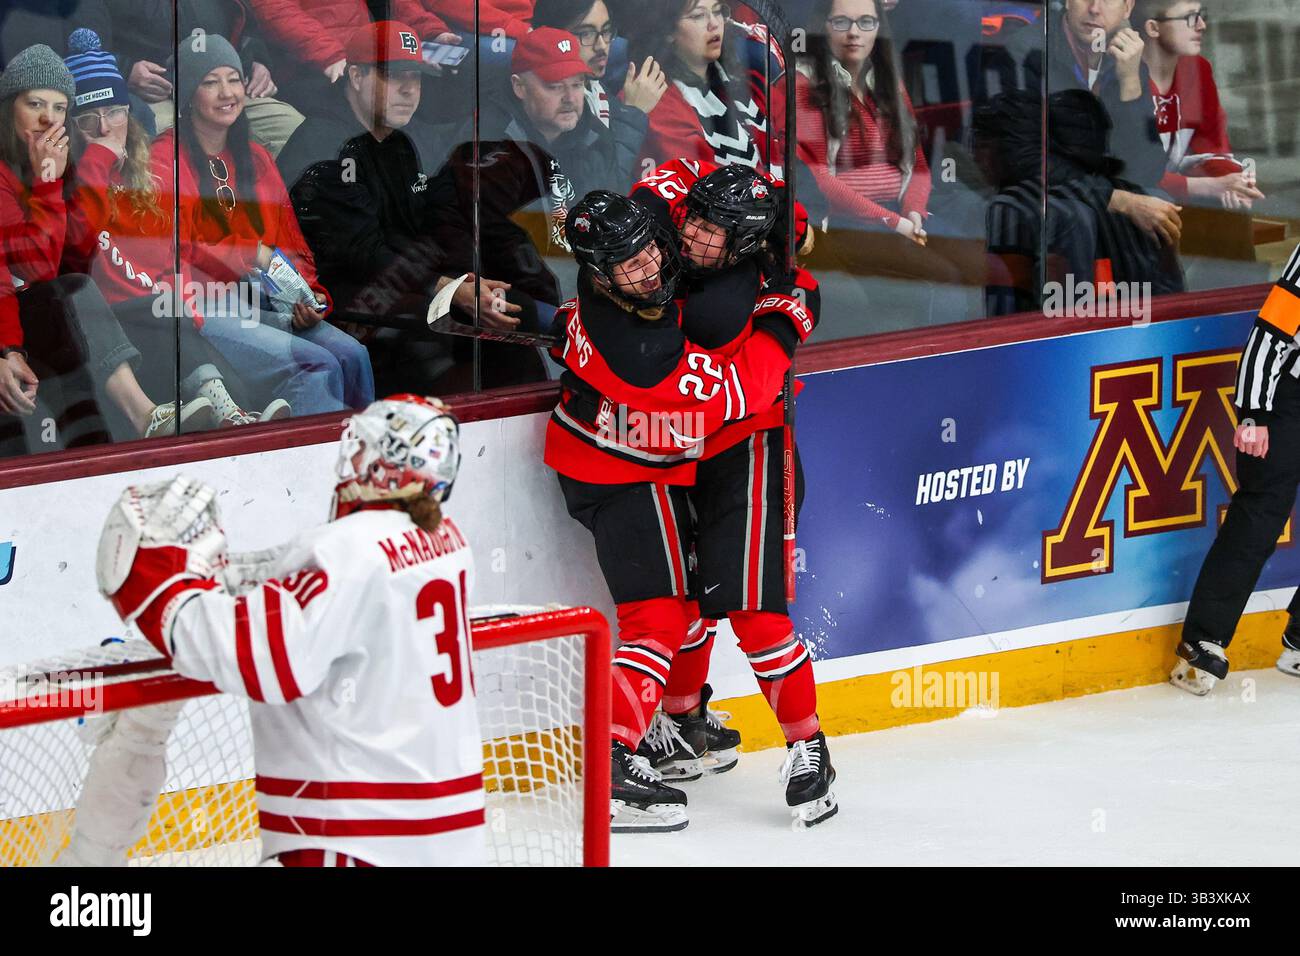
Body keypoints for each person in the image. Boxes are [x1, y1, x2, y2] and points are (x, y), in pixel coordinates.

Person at [72, 394, 482, 867]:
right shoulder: (447, 539)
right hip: (450, 836)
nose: (348, 464)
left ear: (385, 468)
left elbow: (260, 658)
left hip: (357, 840)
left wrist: (165, 593)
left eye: (361, 450)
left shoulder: (346, 549)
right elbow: (331, 596)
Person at [545, 187, 817, 829]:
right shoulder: (641, 355)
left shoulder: (631, 265)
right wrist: (787, 315)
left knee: (686, 607)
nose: (647, 268)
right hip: (621, 469)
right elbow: (742, 391)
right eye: (627, 265)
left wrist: (791, 228)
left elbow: (706, 185)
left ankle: (680, 725)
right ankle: (611, 765)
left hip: (634, 462)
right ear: (600, 277)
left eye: (648, 252)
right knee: (658, 618)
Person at [630, 161, 837, 826]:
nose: (696, 235)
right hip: (677, 454)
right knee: (684, 603)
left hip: (748, 453)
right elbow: (653, 189)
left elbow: (743, 391)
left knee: (754, 615)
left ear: (747, 242)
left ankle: (809, 747)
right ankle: (684, 721)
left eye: (715, 231)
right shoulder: (681, 232)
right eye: (695, 219)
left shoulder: (788, 294)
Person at [277, 20, 536, 394]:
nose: (408, 90)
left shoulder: (397, 140)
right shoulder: (324, 142)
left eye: (415, 78)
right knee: (445, 323)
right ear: (355, 75)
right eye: (392, 77)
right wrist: (444, 287)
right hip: (336, 296)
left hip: (392, 281)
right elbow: (361, 254)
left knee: (512, 309)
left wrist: (465, 278)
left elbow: (423, 228)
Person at [63, 29, 287, 428]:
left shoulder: (148, 173)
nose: (104, 128)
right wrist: (96, 162)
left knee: (212, 358)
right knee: (180, 334)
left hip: (167, 310)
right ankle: (231, 417)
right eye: (87, 120)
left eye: (115, 113)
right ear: (71, 127)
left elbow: (174, 250)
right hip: (114, 321)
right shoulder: (69, 182)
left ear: (129, 116)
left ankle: (237, 416)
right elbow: (78, 248)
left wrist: (181, 294)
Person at [0, 43, 213, 448]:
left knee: (154, 316)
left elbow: (79, 251)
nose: (49, 118)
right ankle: (143, 413)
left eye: (60, 108)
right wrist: (50, 182)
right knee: (75, 292)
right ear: (10, 107)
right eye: (36, 104)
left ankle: (222, 416)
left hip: (41, 317)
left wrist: (69, 179)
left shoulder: (52, 160)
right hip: (25, 314)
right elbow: (38, 267)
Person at [157, 33, 374, 414]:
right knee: (317, 366)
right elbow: (179, 246)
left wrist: (309, 295)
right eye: (210, 82)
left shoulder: (255, 156)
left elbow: (289, 243)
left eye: (234, 79)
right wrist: (251, 252)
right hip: (200, 305)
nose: (227, 92)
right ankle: (302, 470)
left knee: (353, 354)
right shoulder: (165, 156)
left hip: (258, 300)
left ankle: (359, 464)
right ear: (189, 93)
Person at [1172, 245, 1300, 694]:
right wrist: (1254, 414)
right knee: (1261, 515)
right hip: (1287, 400)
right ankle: (1202, 638)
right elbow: (1271, 333)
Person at [99, 0, 306, 158]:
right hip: (155, 95)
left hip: (227, 86)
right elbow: (78, 42)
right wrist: (124, 71)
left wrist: (257, 61)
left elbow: (246, 25)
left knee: (295, 131)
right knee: (162, 147)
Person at [622, 0, 785, 175]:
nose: (714, 24)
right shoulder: (653, 99)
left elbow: (799, 150)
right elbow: (702, 182)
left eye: (717, 12)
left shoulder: (749, 81)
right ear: (668, 30)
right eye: (698, 16)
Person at [1134, 0, 1263, 209]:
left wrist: (1230, 179)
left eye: (1201, 15)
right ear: (1153, 28)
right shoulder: (1123, 77)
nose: (1201, 25)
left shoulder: (1197, 70)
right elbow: (1130, 174)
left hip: (1178, 192)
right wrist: (1209, 186)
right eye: (1189, 18)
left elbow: (1211, 148)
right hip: (1139, 202)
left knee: (1235, 198)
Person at [530, 0, 668, 145]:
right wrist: (633, 112)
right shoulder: (552, 107)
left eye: (606, 31)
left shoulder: (597, 88)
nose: (602, 46)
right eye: (586, 33)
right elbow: (602, 168)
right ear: (549, 36)